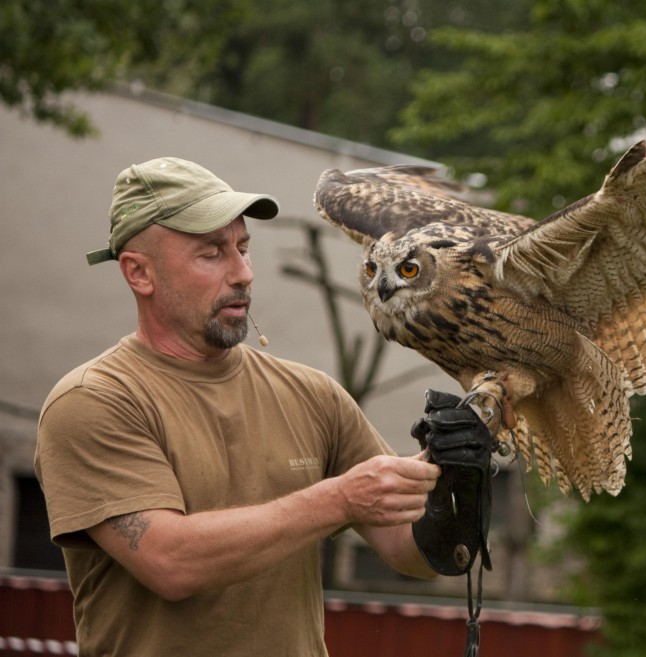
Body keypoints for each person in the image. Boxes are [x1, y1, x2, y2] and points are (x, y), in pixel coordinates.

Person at [34, 157, 444, 656]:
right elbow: (170, 562)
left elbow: (407, 548)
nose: (244, 273)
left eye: (243, 249)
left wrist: (457, 479)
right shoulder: (94, 401)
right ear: (139, 273)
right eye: (211, 254)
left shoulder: (313, 395)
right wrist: (338, 499)